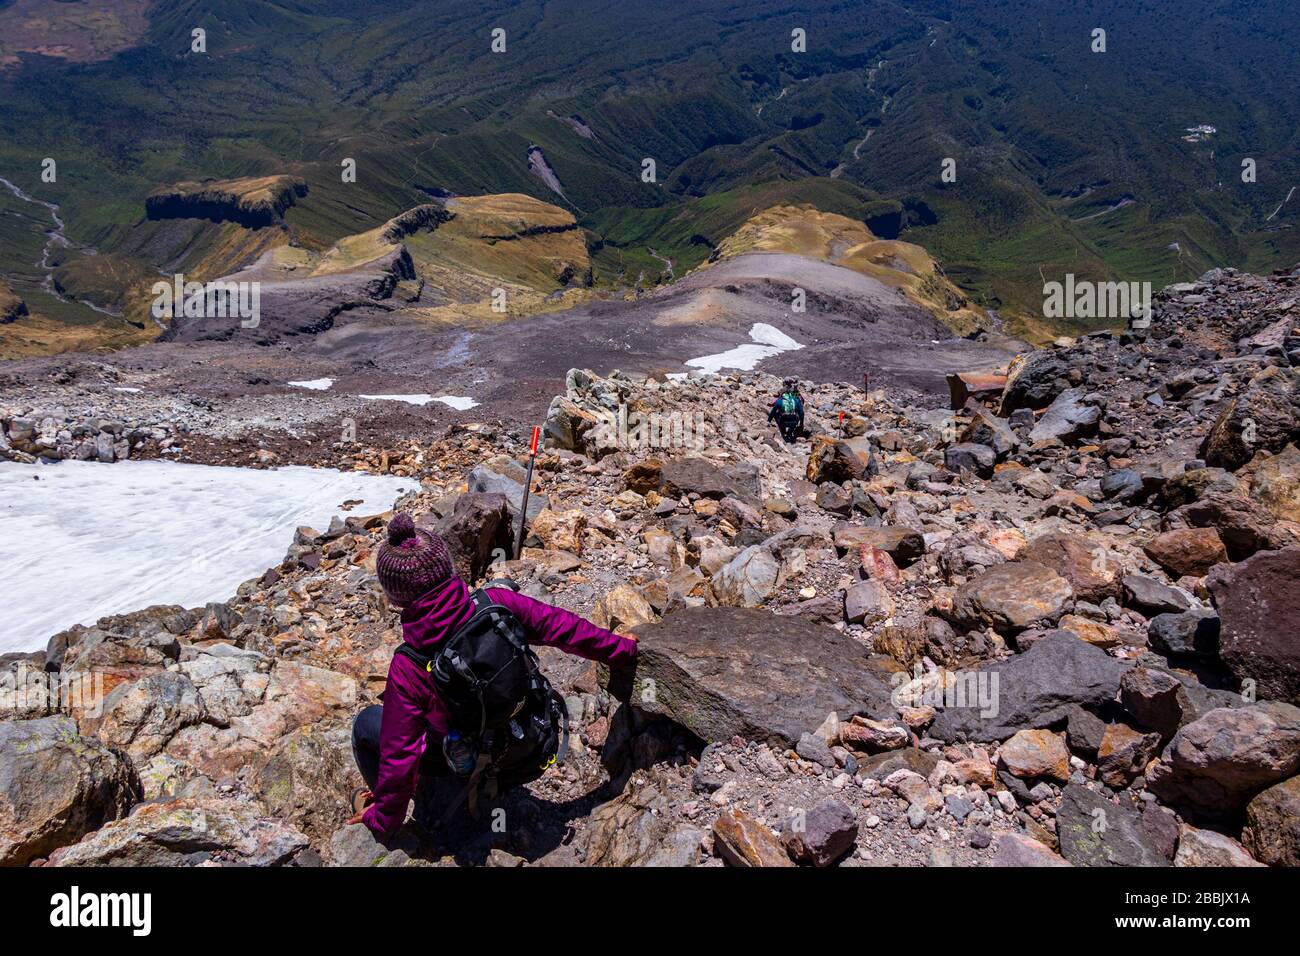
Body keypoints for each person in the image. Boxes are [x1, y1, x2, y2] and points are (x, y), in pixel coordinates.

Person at [347, 513, 637, 839]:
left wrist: (383, 821)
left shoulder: (408, 665)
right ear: (447, 567)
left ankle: (397, 811)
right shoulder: (496, 602)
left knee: (367, 724)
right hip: (531, 743)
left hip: (467, 763)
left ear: (395, 597)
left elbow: (400, 757)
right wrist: (622, 650)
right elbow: (566, 629)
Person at [767, 377, 805, 442]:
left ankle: (783, 430)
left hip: (783, 422)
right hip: (794, 422)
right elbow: (802, 413)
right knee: (798, 413)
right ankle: (790, 432)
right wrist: (801, 423)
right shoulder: (796, 400)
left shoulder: (779, 401)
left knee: (775, 413)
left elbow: (772, 413)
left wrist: (769, 421)